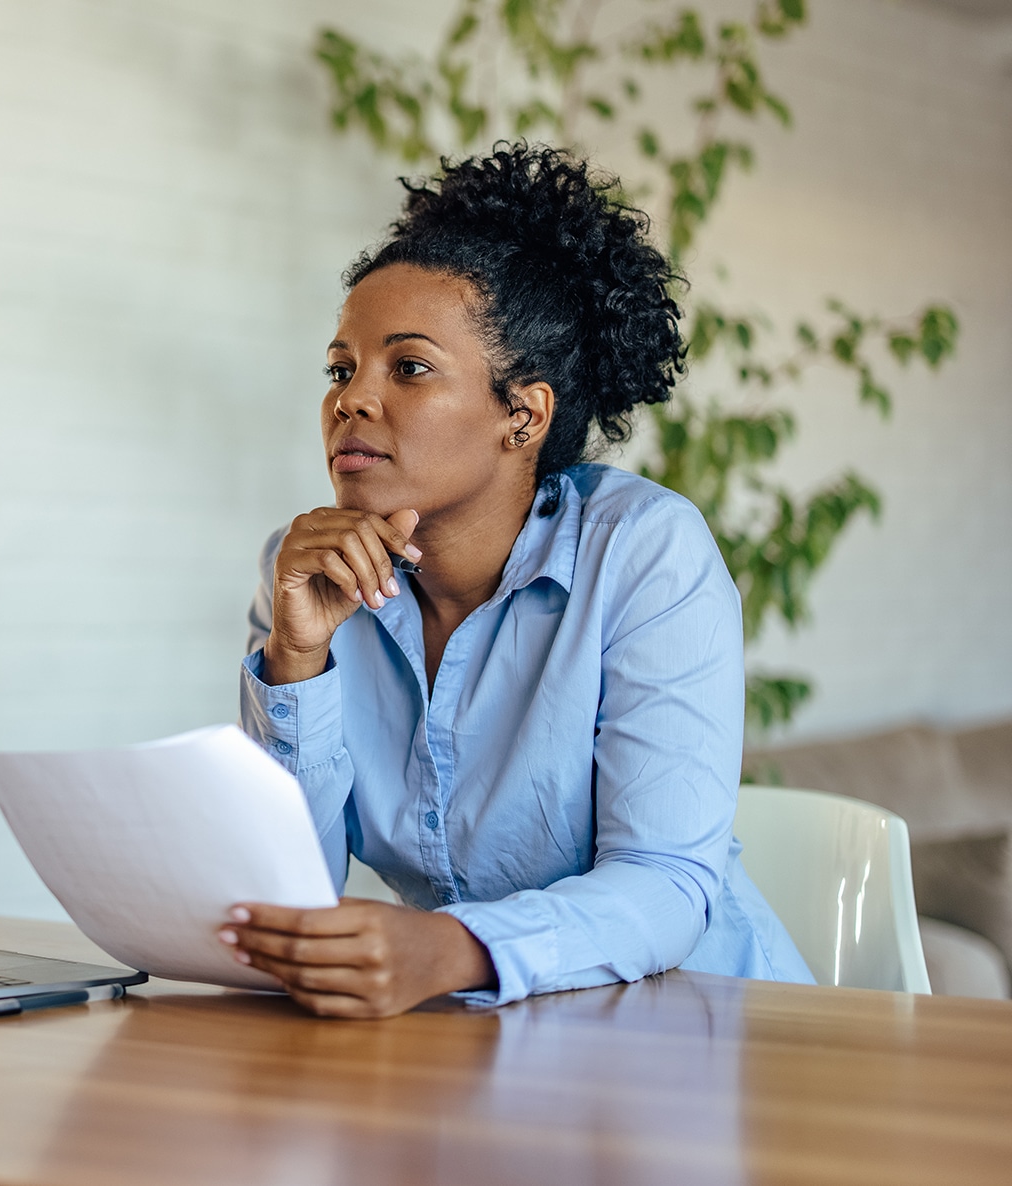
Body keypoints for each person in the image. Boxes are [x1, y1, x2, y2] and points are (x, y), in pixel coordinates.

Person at [219, 144, 812, 1017]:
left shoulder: (643, 553)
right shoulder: (307, 574)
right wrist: (296, 656)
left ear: (524, 414)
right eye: (341, 369)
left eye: (408, 367)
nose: (353, 399)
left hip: (709, 1036)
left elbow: (664, 885)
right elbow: (287, 893)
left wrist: (450, 948)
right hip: (481, 1041)